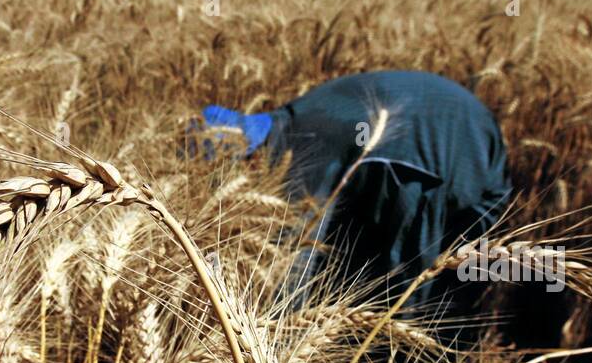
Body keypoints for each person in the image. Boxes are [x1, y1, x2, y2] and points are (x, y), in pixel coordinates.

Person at [189, 71, 512, 321]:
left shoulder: (302, 142)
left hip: (441, 161)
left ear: (246, 150)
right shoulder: (300, 111)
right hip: (470, 139)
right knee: (438, 274)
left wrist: (274, 330)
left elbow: (297, 252)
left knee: (408, 281)